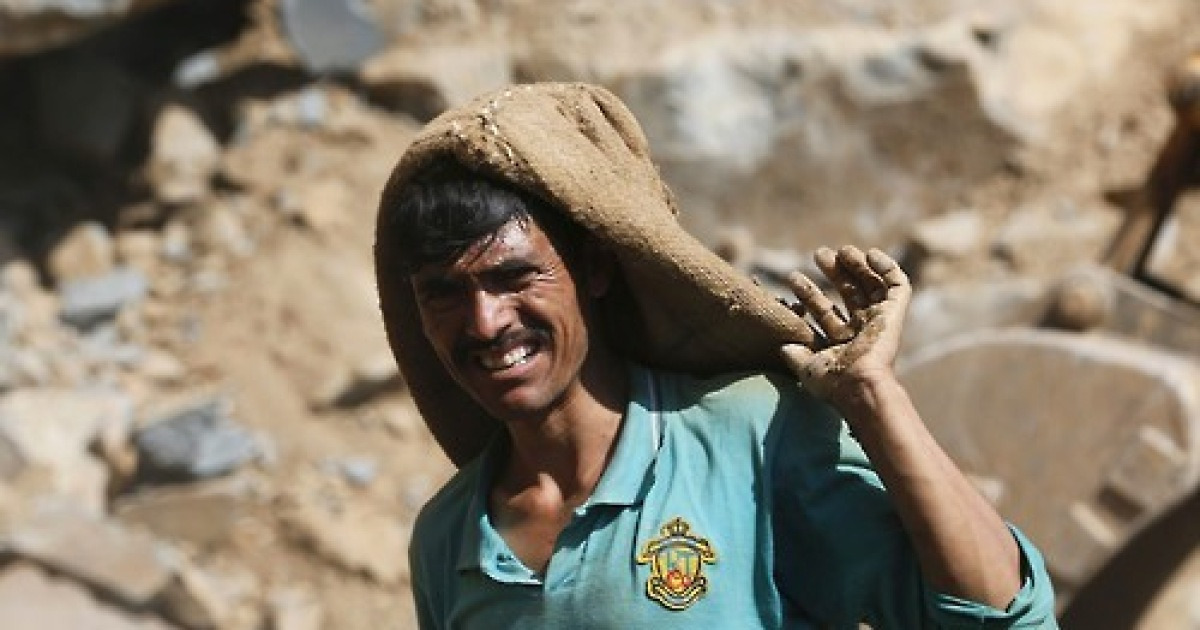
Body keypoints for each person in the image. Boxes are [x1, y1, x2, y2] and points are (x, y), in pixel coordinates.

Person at [375, 83, 1057, 628]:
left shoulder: (750, 438)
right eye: (443, 294)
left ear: (595, 269)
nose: (485, 321)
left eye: (514, 277)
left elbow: (1002, 618)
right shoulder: (448, 539)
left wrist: (873, 398)